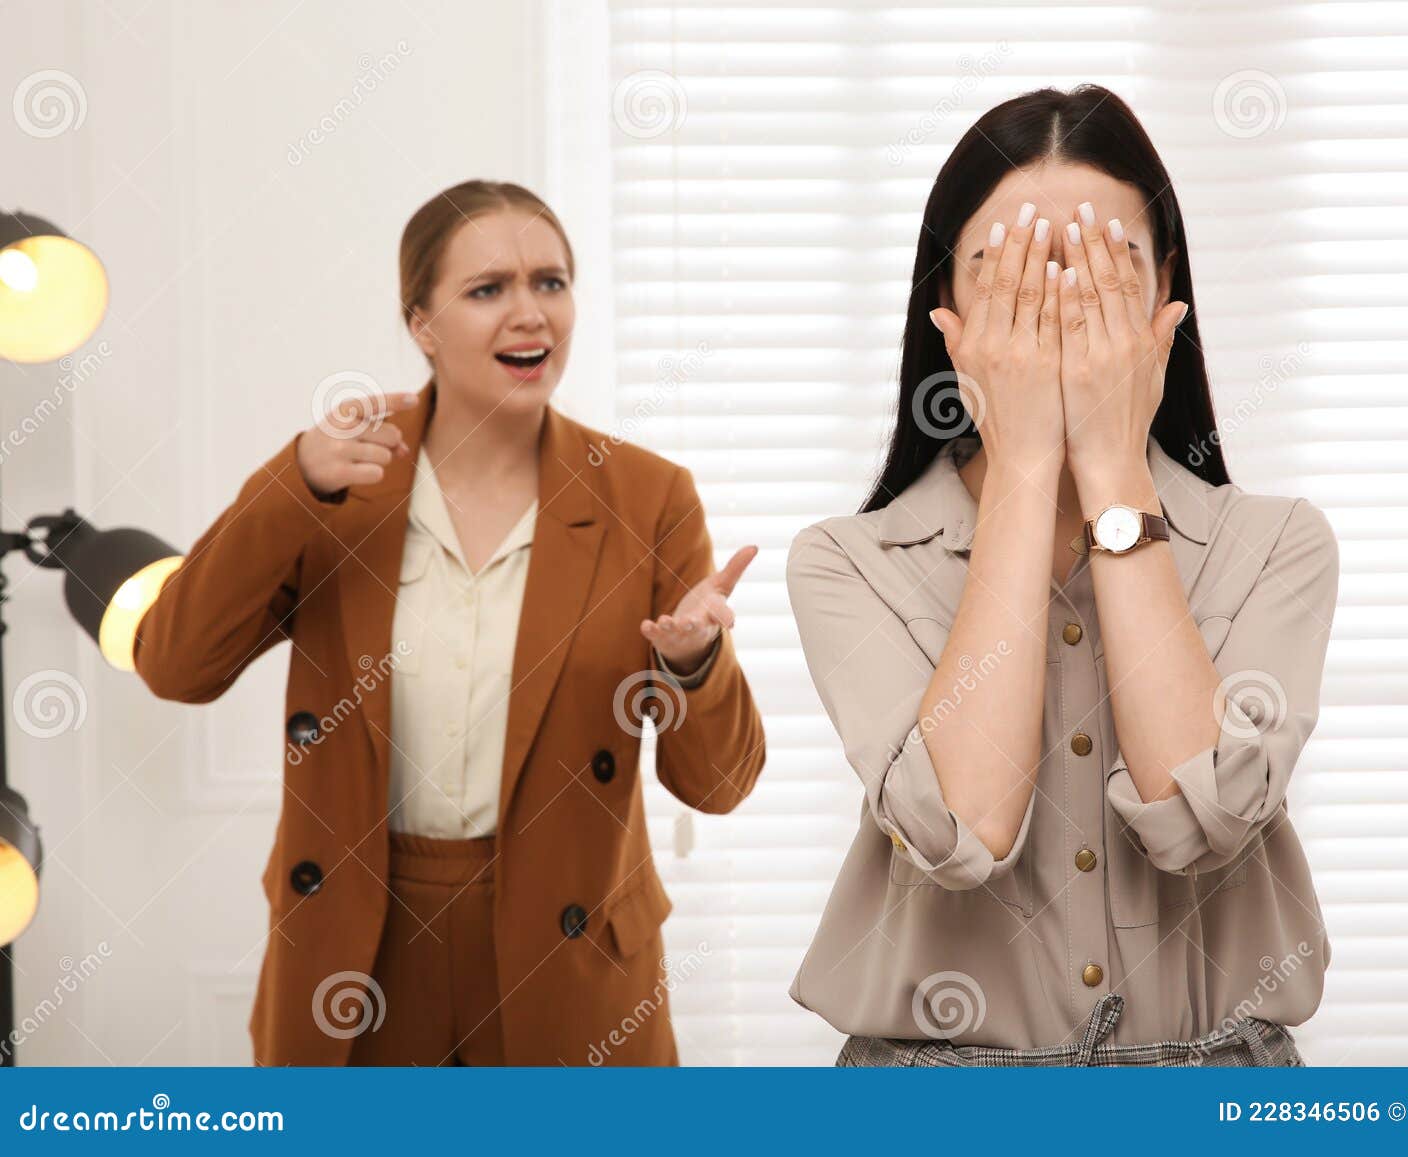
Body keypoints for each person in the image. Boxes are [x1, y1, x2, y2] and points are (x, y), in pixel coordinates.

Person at [133, 179, 766, 1066]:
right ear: (420, 323)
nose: (530, 315)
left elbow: (720, 785)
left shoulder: (647, 496)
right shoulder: (341, 478)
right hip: (363, 948)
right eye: (488, 289)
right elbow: (174, 663)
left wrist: (699, 666)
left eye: (551, 281)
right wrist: (290, 491)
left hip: (570, 955)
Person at [786, 86, 1338, 1067]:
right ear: (946, 310)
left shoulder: (1277, 544)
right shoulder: (847, 561)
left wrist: (1113, 468)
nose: (1054, 303)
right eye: (1008, 276)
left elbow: (1196, 816)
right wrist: (1028, 462)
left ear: (1167, 291)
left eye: (1095, 265)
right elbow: (962, 826)